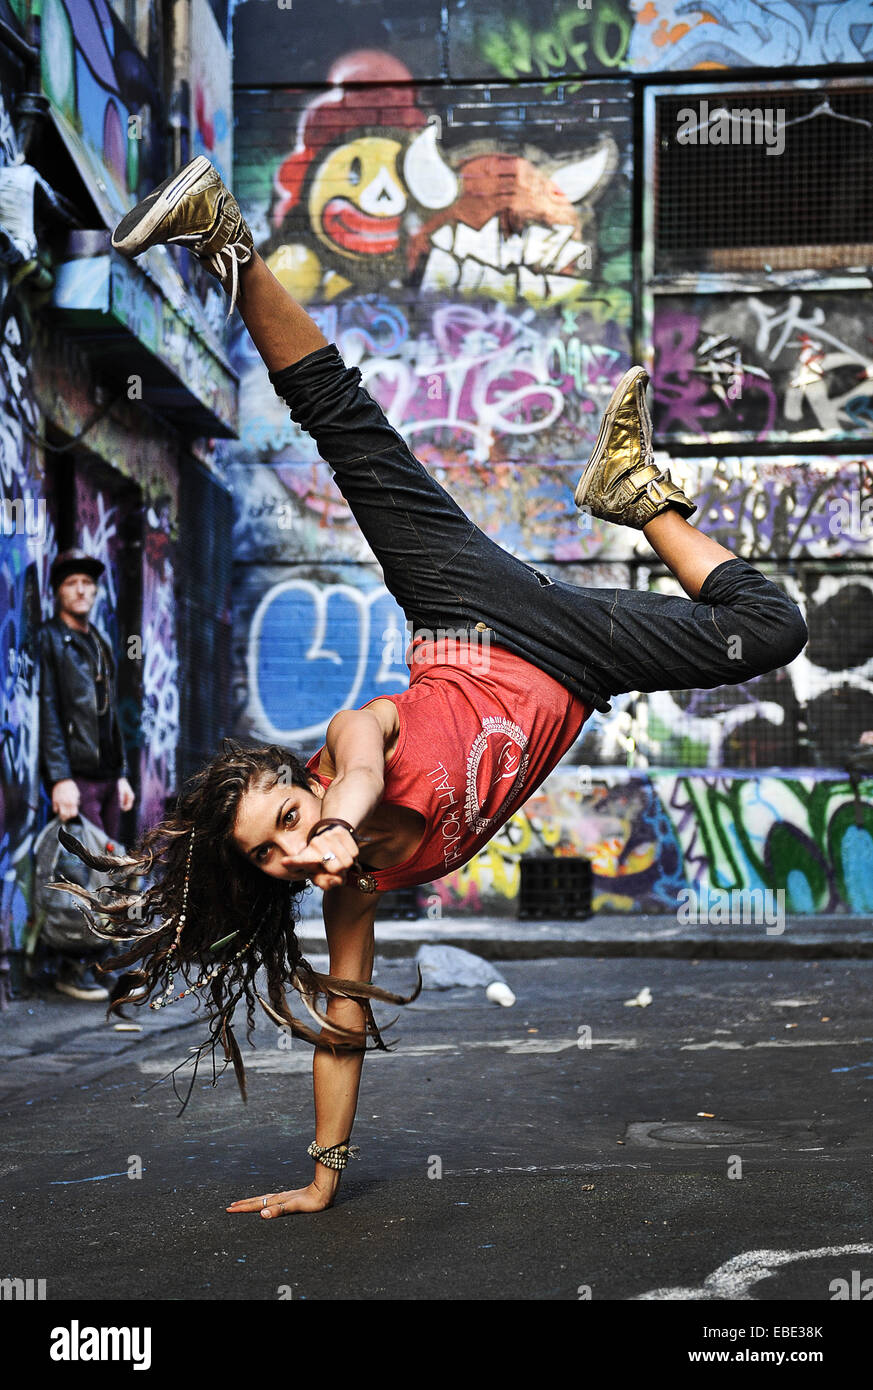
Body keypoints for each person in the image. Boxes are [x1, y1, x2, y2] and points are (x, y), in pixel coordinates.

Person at [55, 157, 808, 1217]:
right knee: (771, 628)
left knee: (353, 435)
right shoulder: (348, 887)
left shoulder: (349, 741)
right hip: (579, 661)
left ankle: (221, 234)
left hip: (469, 615)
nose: (291, 848)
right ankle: (633, 492)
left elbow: (359, 768)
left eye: (285, 818)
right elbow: (344, 1013)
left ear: (297, 780)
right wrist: (321, 1179)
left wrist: (337, 821)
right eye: (271, 857)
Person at [39, 549, 136, 1000]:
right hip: (74, 776)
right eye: (72, 583)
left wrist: (121, 774)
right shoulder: (51, 640)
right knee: (76, 873)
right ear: (58, 591)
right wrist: (59, 778)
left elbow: (109, 715)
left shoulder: (97, 640)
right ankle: (70, 966)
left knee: (109, 873)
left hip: (104, 775)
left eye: (87, 583)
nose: (81, 589)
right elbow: (49, 712)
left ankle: (99, 962)